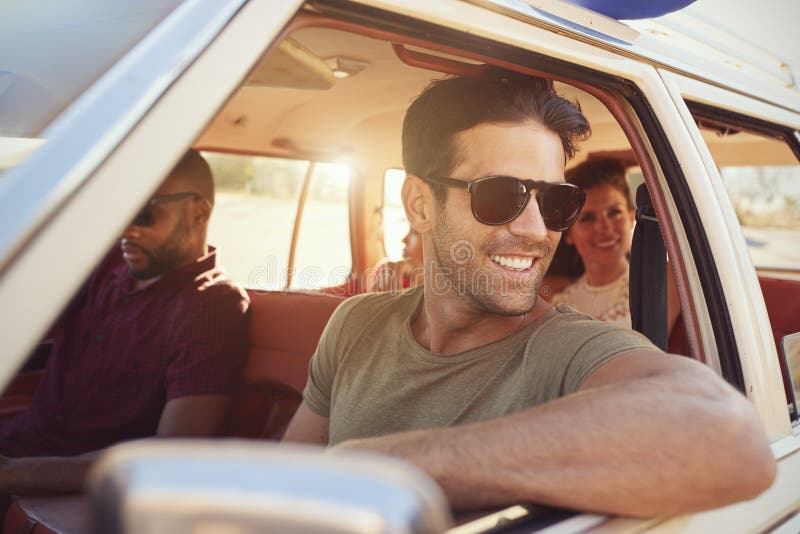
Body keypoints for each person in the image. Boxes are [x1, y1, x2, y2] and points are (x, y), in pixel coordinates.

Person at [282, 70, 775, 517]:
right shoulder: (354, 324)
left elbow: (729, 438)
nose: (537, 230)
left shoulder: (569, 350)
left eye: (556, 201)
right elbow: (283, 490)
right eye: (500, 194)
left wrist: (396, 467)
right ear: (419, 204)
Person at [0, 149, 250, 494]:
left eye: (144, 212)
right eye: (121, 210)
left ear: (198, 213)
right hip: (15, 446)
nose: (127, 230)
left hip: (58, 491)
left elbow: (173, 453)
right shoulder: (106, 266)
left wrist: (12, 475)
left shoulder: (211, 306)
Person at [549, 158, 635, 327]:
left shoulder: (659, 286)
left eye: (614, 212)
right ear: (569, 234)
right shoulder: (562, 306)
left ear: (631, 217)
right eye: (588, 218)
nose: (605, 227)